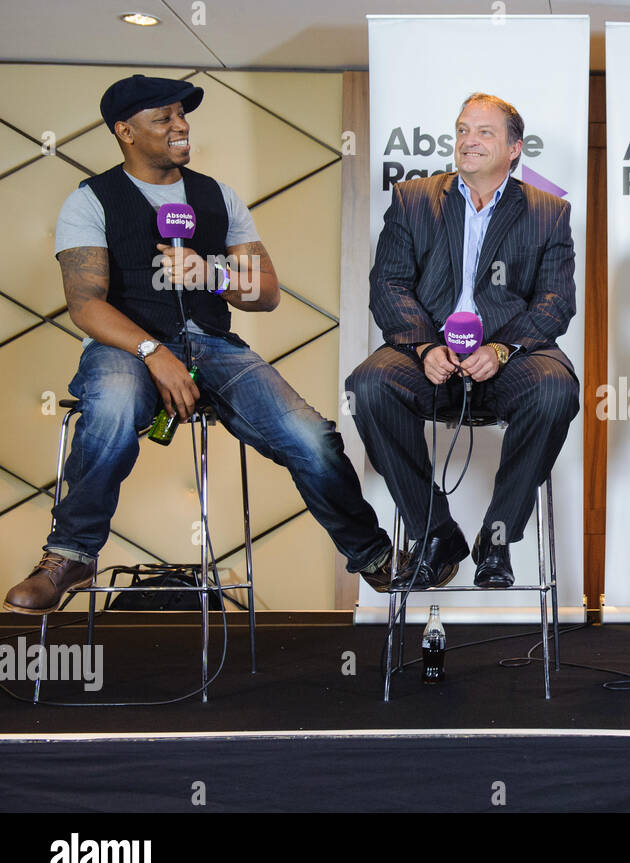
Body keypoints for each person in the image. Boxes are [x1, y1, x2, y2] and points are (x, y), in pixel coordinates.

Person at [4, 74, 400, 615]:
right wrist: (154, 354)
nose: (180, 126)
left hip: (212, 344)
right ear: (125, 131)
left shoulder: (218, 197)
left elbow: (266, 293)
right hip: (127, 346)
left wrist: (210, 274)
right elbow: (86, 304)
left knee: (311, 436)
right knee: (113, 407)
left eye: (181, 115)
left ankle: (375, 557)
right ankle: (70, 554)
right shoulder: (90, 200)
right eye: (162, 118)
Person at [347, 93, 578, 590]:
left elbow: (556, 301)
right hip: (429, 351)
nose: (468, 141)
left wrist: (500, 350)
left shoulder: (548, 212)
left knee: (556, 388)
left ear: (514, 148)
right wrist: (426, 347)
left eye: (484, 132)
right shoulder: (413, 199)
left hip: (508, 358)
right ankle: (435, 534)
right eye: (462, 130)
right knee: (368, 385)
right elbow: (388, 285)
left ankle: (496, 536)